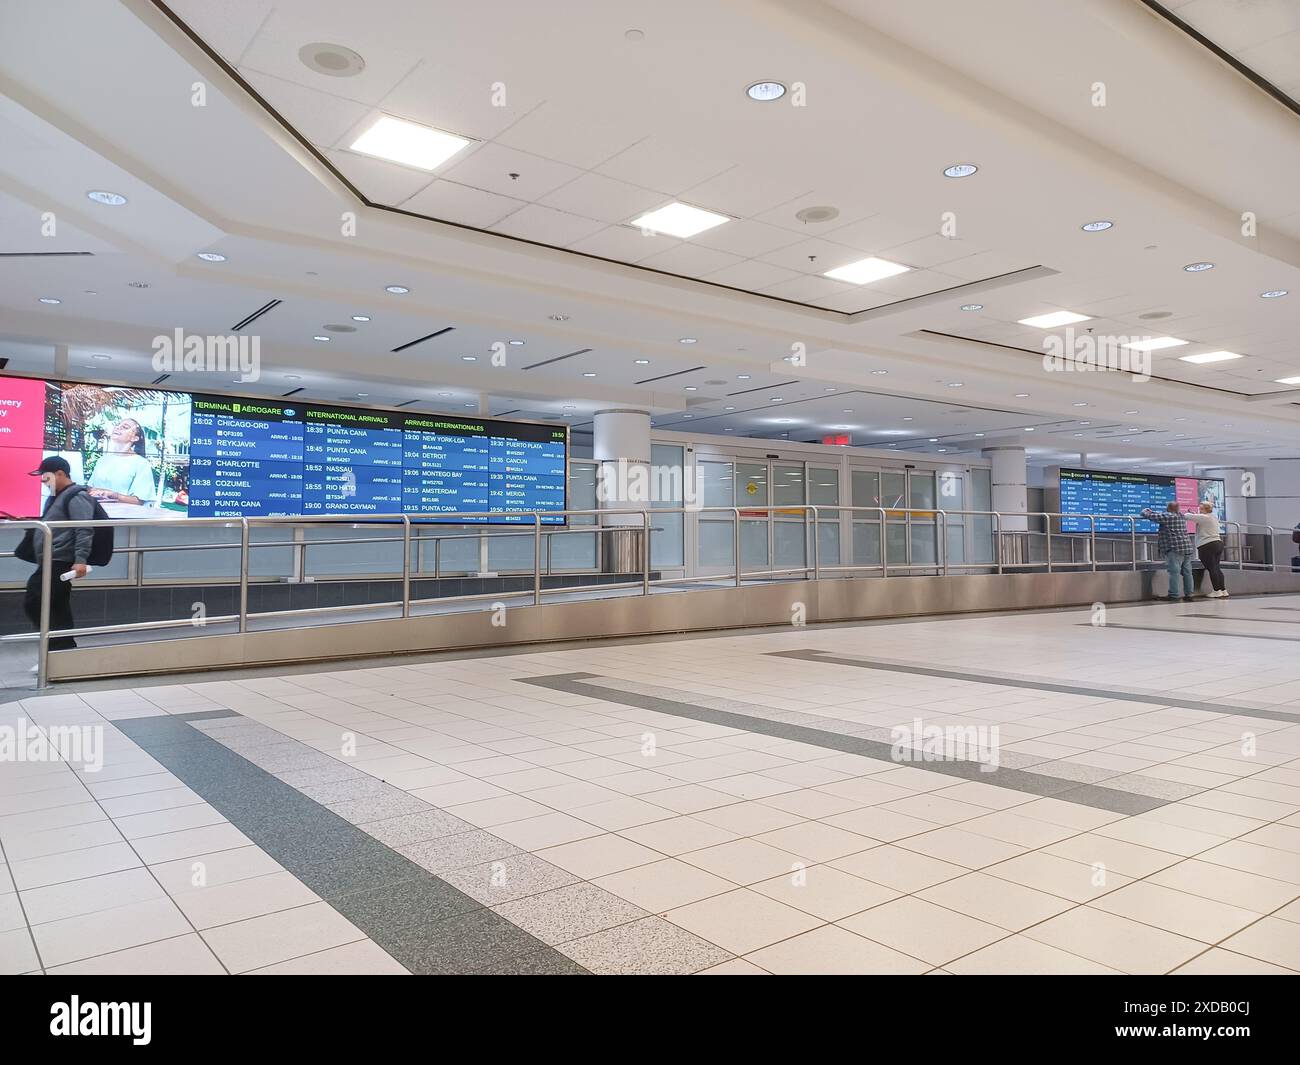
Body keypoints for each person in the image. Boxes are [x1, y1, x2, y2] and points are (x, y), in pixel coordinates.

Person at [25, 456, 94, 655]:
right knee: (57, 606)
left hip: (60, 561)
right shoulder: (57, 496)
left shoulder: (76, 496)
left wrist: (80, 560)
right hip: (50, 560)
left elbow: (84, 529)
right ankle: (63, 654)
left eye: (45, 478)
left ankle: (59, 650)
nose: (43, 482)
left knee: (35, 600)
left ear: (60, 474)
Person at [87, 417, 157, 505]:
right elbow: (90, 488)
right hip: (96, 513)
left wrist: (114, 496)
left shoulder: (141, 464)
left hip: (121, 516)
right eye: (117, 425)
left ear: (135, 438)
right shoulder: (102, 460)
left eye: (125, 427)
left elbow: (139, 501)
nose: (117, 427)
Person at [1141, 500, 1195, 601]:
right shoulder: (1181, 516)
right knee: (1187, 572)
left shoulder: (1168, 517)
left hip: (1175, 548)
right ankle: (1189, 594)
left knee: (1174, 572)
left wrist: (1146, 510)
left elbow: (1147, 515)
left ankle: (1174, 595)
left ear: (1168, 508)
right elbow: (1161, 515)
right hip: (1187, 547)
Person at [1184, 501, 1227, 598]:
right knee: (1216, 568)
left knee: (1212, 568)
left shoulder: (1204, 517)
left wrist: (1193, 514)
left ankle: (1216, 590)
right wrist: (1197, 515)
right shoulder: (1213, 517)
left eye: (1201, 508)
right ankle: (1223, 590)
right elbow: (1199, 518)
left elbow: (1187, 516)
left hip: (1207, 545)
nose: (1199, 510)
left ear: (1206, 509)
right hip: (1218, 543)